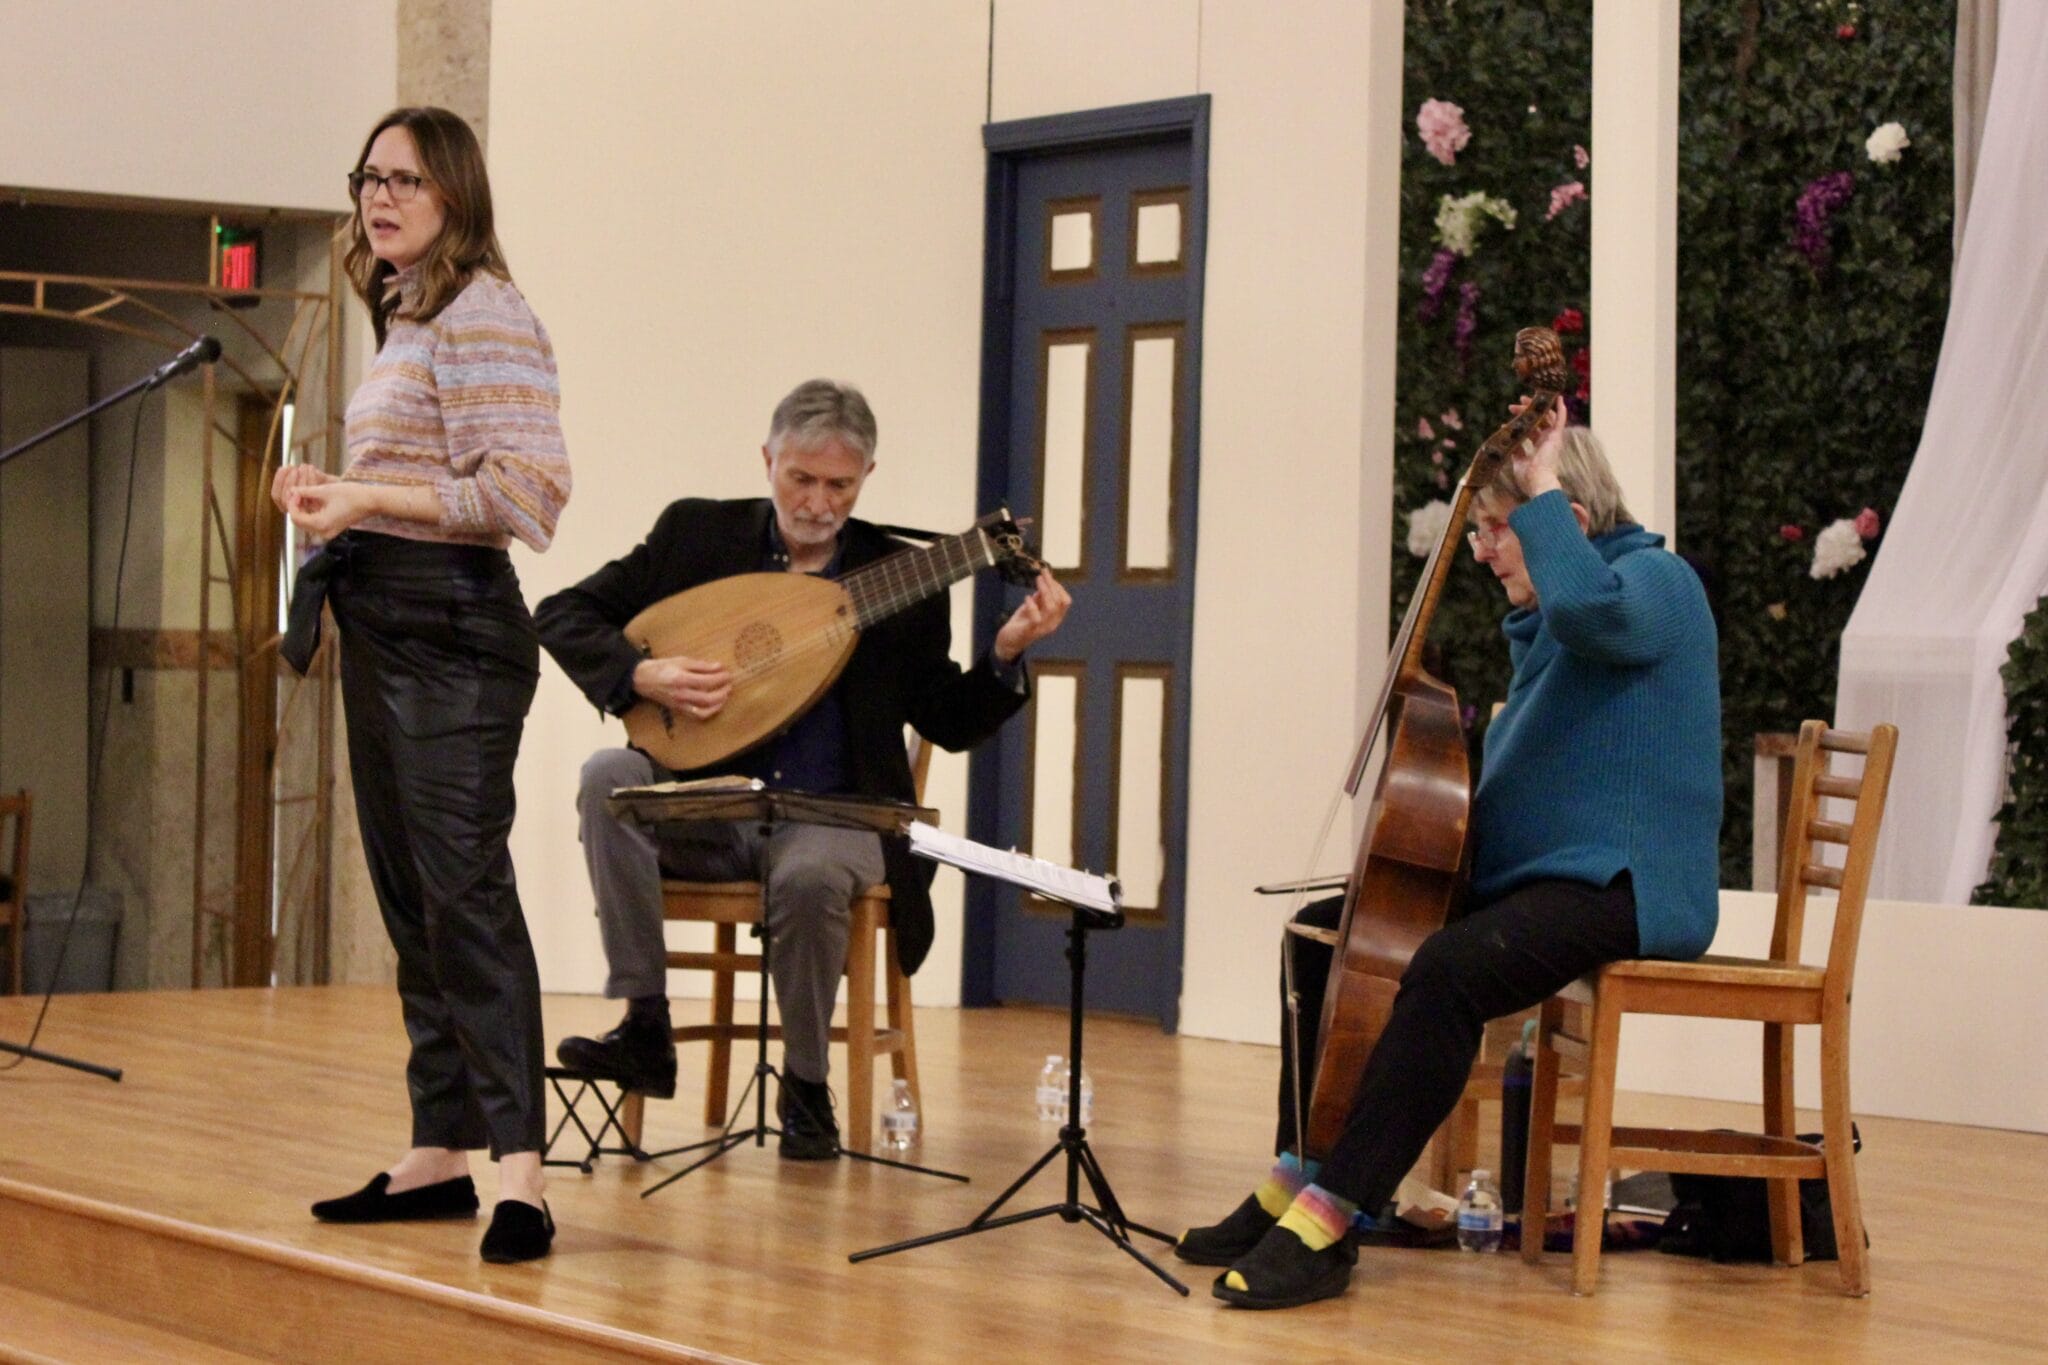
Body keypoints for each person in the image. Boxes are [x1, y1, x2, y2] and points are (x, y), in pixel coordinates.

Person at [1180, 403, 1722, 1309]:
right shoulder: (1566, 609)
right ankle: (1295, 1176)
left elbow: (1594, 619)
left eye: (1494, 530)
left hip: (1631, 886)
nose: (1479, 552)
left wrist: (1539, 487)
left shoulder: (1658, 581)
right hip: (1558, 878)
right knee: (1327, 937)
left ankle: (1332, 1221)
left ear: (1569, 523)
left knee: (1450, 970)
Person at [537, 378, 1070, 1158]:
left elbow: (949, 722)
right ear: (768, 460)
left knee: (811, 874)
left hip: (837, 815)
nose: (819, 502)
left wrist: (1008, 652)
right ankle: (644, 1024)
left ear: (866, 481)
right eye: (802, 479)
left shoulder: (904, 578)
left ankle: (808, 1085)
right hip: (706, 811)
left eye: (839, 485)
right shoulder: (697, 536)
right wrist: (641, 676)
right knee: (604, 775)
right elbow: (561, 614)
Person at [274, 106, 571, 1264]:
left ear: (454, 193)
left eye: (403, 180)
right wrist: (338, 497)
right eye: (366, 178)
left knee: (466, 898)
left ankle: (523, 1179)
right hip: (386, 619)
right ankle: (440, 1151)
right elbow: (420, 473)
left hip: (454, 635)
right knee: (411, 896)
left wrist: (364, 501)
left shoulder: (487, 310)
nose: (377, 198)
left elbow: (526, 497)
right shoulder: (407, 314)